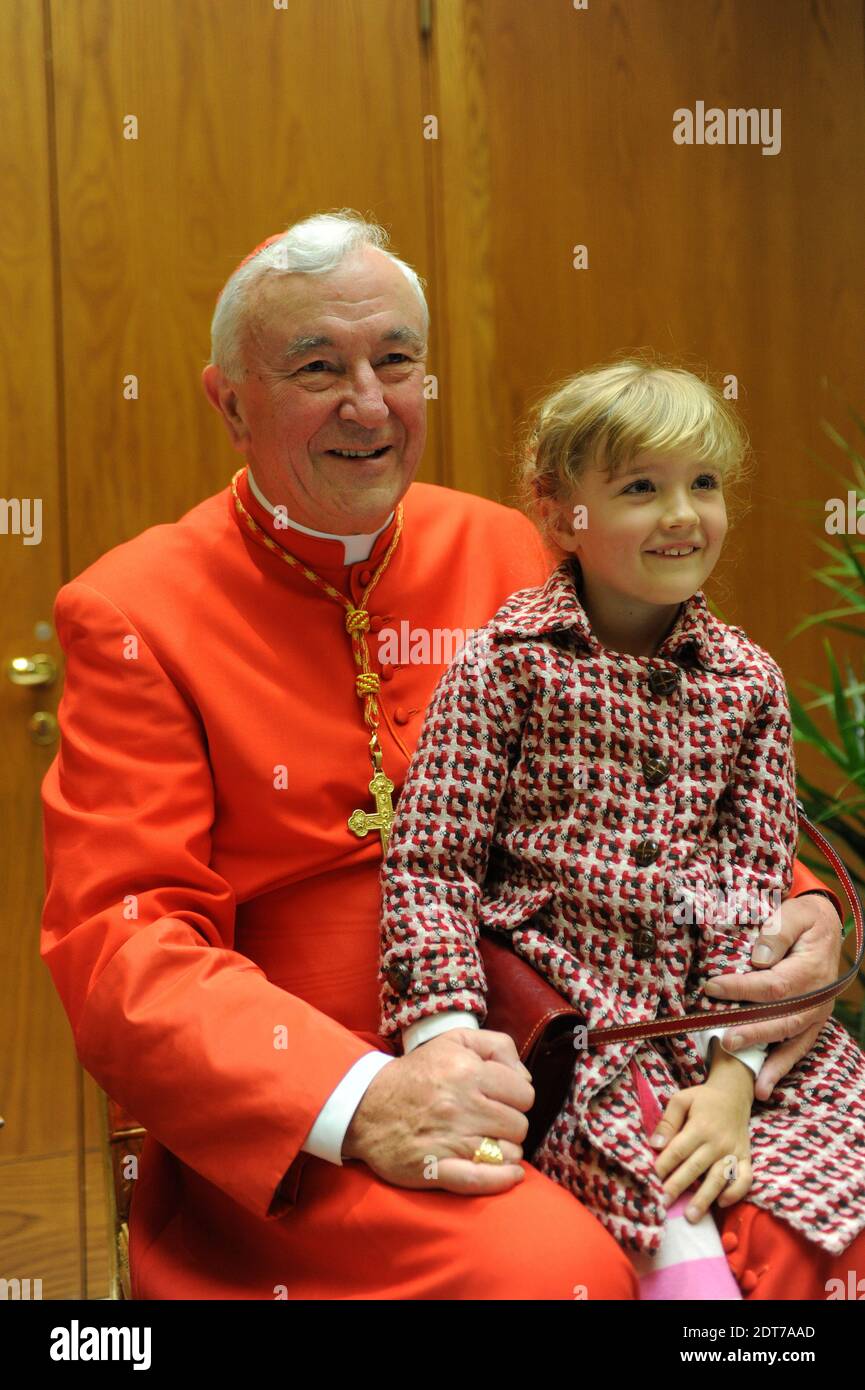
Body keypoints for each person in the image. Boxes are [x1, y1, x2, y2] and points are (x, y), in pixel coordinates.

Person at [40, 213, 849, 1300]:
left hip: (586, 1032)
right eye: (317, 368)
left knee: (807, 1228)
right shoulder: (134, 610)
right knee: (551, 1278)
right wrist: (365, 1096)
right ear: (229, 401)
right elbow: (124, 951)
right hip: (328, 1096)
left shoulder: (519, 551)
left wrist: (798, 909)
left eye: (395, 361)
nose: (367, 404)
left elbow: (686, 762)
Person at [379, 357, 865, 1299]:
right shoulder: (505, 665)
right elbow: (430, 868)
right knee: (680, 1250)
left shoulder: (747, 683)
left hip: (723, 1034)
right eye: (641, 487)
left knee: (830, 1220)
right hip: (582, 1032)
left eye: (704, 483)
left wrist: (732, 1084)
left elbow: (750, 900)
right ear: (563, 514)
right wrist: (440, 1035)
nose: (682, 514)